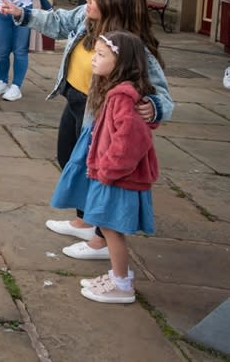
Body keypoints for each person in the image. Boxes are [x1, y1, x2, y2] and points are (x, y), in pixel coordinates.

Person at [0, 0, 172, 259]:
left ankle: (102, 242)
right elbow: (58, 22)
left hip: (102, 119)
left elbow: (162, 94)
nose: (87, 0)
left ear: (114, 4)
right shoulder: (86, 19)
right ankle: (85, 220)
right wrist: (21, 14)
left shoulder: (131, 45)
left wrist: (154, 106)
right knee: (69, 160)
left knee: (101, 174)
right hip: (75, 102)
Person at [52, 30, 159, 304]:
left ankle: (122, 284)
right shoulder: (117, 92)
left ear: (120, 63)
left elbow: (131, 139)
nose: (94, 60)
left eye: (100, 55)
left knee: (111, 229)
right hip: (111, 176)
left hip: (117, 179)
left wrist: (108, 170)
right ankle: (117, 276)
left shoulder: (122, 96)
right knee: (108, 227)